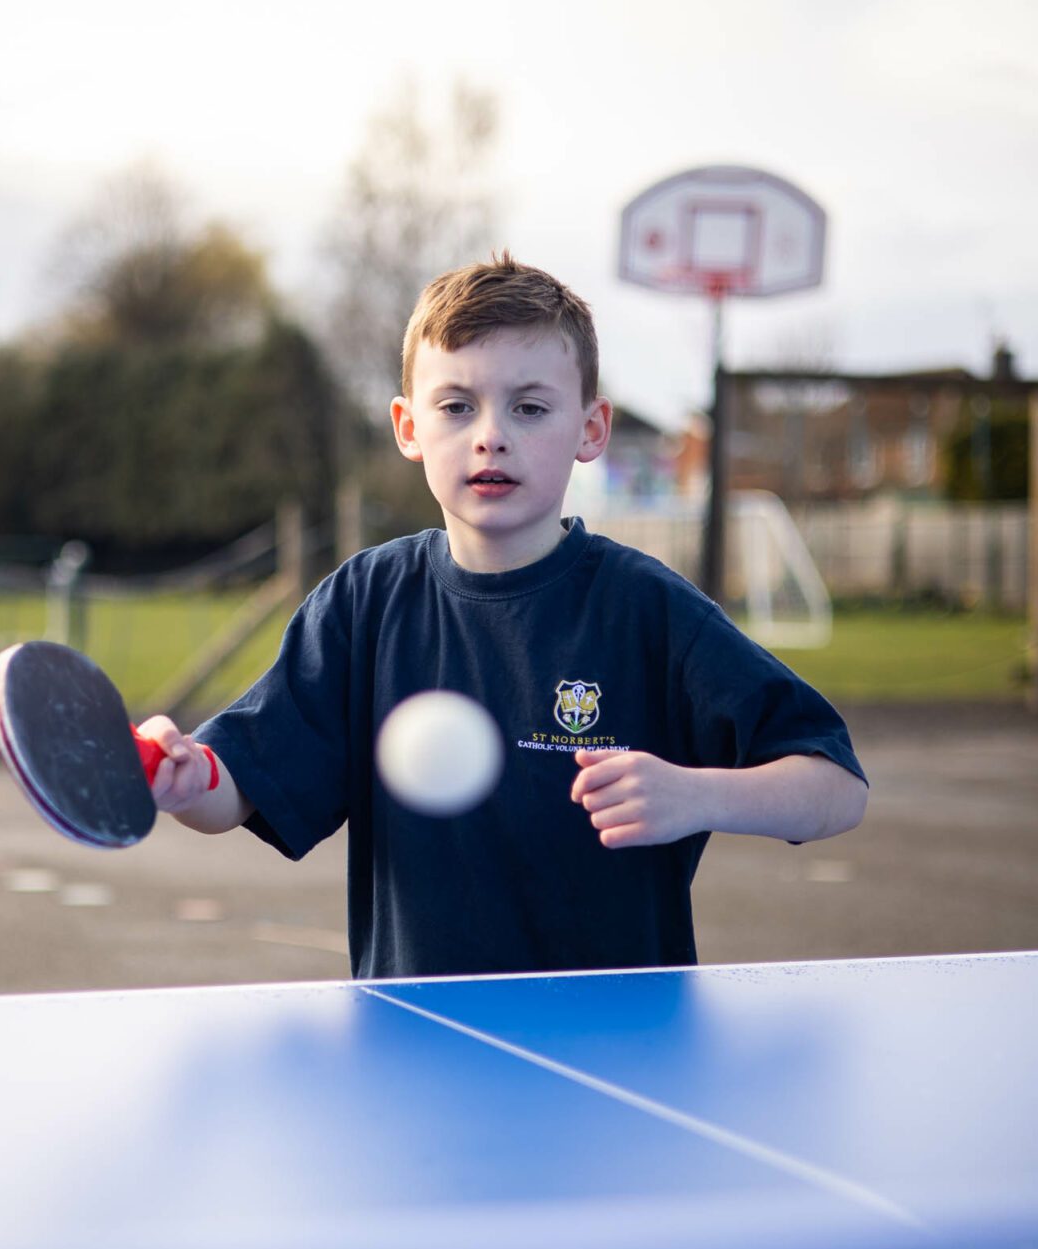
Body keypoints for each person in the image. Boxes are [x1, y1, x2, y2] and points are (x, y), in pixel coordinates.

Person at [138, 254, 866, 979]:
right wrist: (186, 779)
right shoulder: (363, 604)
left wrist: (696, 794)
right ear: (408, 426)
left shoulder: (648, 610)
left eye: (530, 406)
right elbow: (236, 787)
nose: (491, 435)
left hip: (622, 1050)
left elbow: (836, 787)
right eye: (456, 406)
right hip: (418, 1050)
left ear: (591, 429)